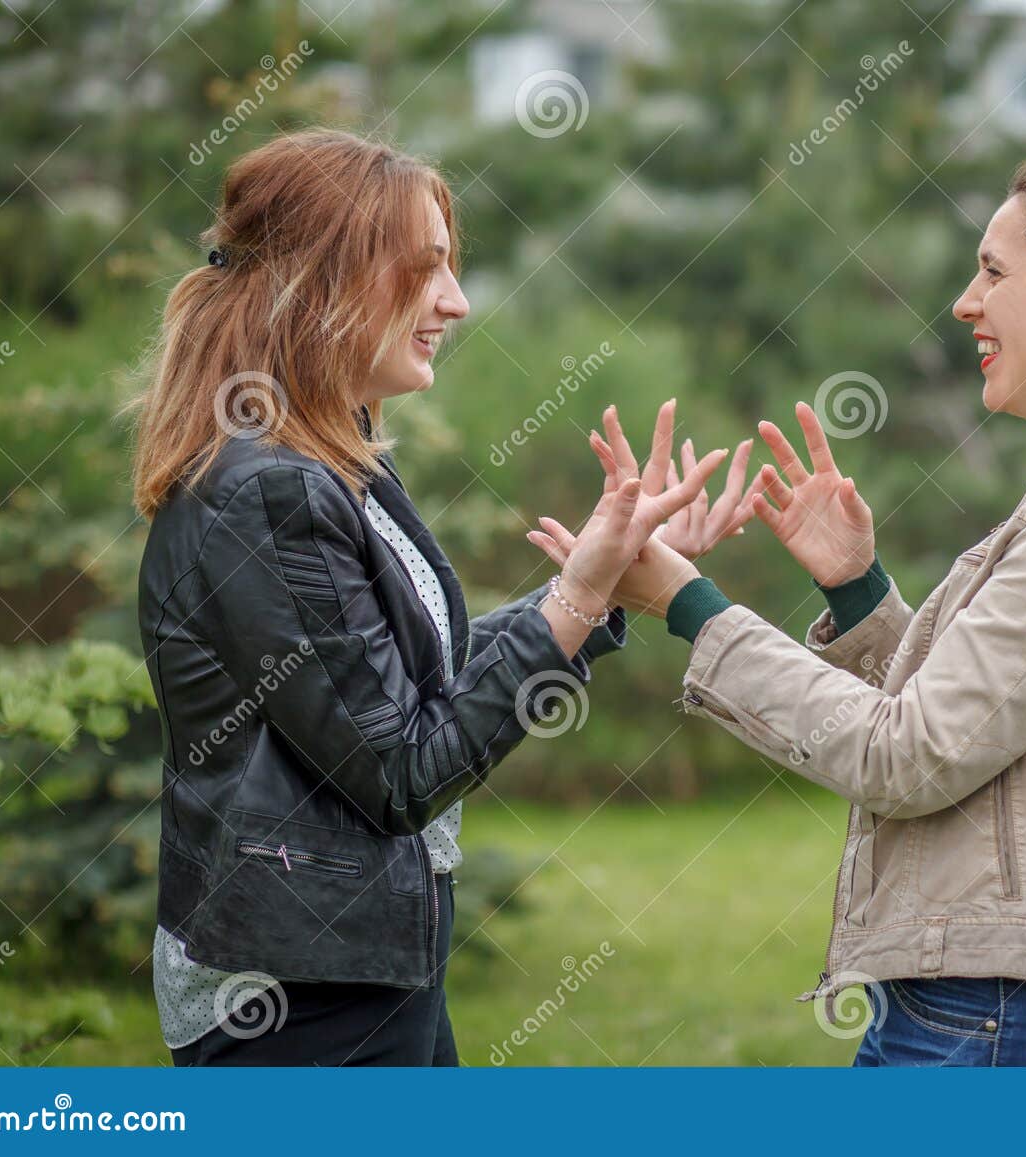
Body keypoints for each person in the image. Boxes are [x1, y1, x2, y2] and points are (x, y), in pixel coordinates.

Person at [529, 143, 1026, 1067]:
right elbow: (986, 730)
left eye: (993, 272)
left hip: (1000, 1022)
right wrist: (857, 591)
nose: (966, 303)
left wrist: (687, 602)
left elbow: (910, 756)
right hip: (993, 1011)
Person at [129, 129, 749, 1065]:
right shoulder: (269, 488)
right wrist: (574, 596)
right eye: (425, 271)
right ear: (323, 283)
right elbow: (401, 770)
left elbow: (395, 683)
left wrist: (595, 588)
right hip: (298, 1006)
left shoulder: (331, 462)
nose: (455, 302)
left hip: (354, 975)